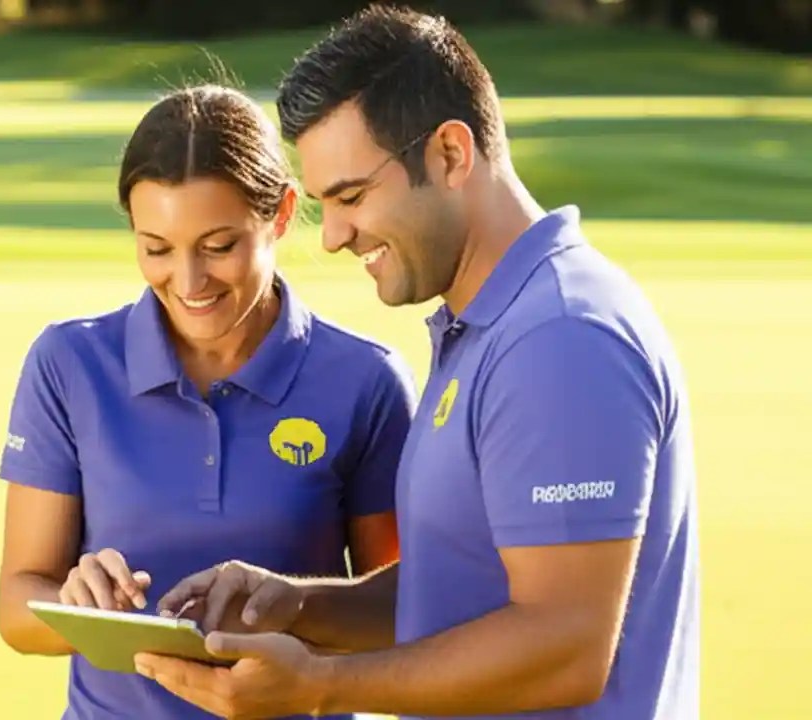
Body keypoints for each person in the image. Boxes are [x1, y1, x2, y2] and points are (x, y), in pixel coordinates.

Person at [136, 7, 700, 720]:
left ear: (451, 155)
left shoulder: (560, 337)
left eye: (350, 197)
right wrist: (297, 603)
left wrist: (320, 684)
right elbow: (462, 591)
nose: (334, 236)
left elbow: (565, 644)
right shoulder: (488, 327)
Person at [0, 84, 418, 719]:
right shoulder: (68, 365)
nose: (188, 282)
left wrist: (293, 607)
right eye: (156, 249)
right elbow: (17, 608)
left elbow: (403, 608)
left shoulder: (364, 380)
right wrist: (77, 607)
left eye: (219, 246)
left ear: (279, 215)